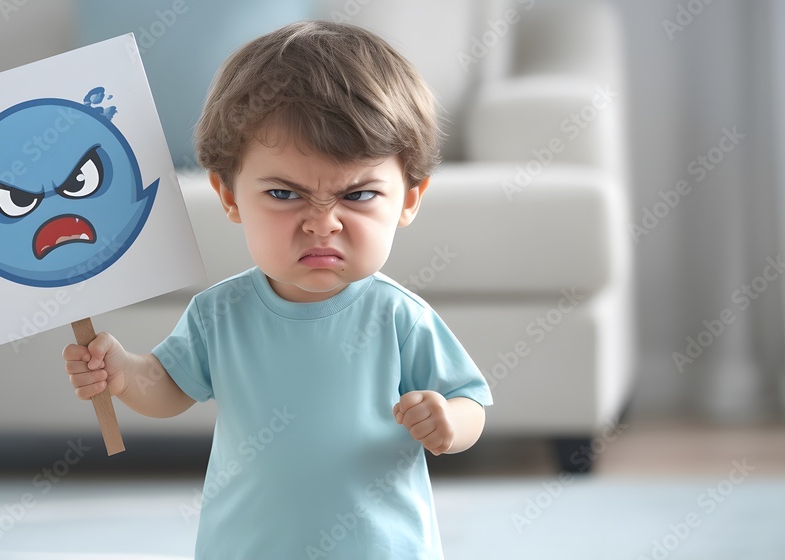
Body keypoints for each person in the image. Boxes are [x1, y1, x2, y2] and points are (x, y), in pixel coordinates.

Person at [63, 20, 493, 559]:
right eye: (285, 193)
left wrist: (449, 422)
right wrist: (123, 372)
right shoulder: (219, 313)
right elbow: (170, 388)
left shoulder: (398, 316)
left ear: (408, 199)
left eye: (358, 194)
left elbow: (470, 399)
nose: (322, 223)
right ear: (229, 195)